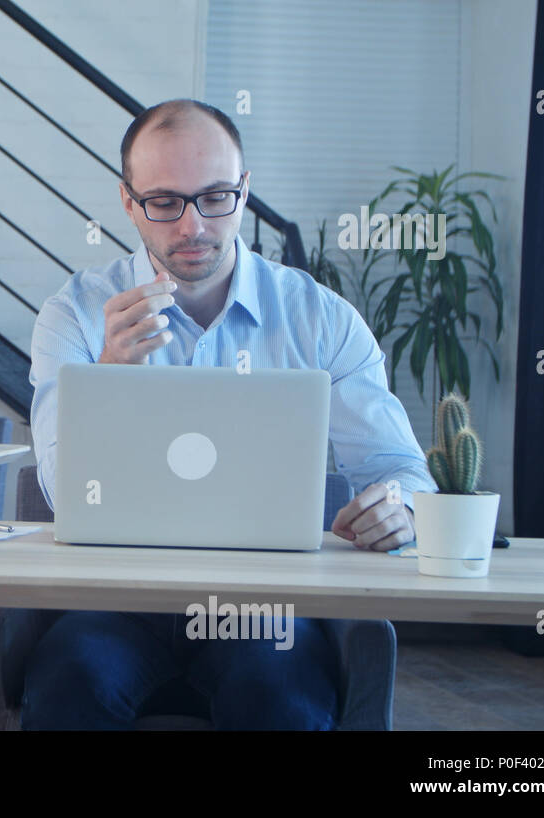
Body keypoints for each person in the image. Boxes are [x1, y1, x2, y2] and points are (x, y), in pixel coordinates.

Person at [24, 99, 436, 730]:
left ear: (244, 192)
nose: (192, 226)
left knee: (282, 700)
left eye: (215, 196)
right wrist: (109, 377)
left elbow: (399, 467)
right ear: (129, 202)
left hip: (264, 606)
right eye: (164, 202)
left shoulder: (318, 319)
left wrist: (399, 506)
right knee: (70, 686)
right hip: (114, 600)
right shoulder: (76, 314)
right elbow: (58, 488)